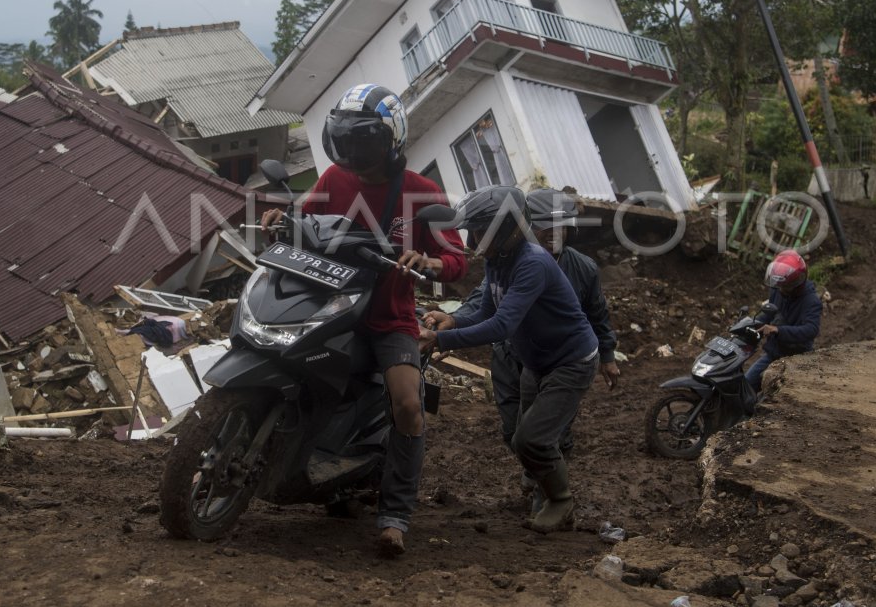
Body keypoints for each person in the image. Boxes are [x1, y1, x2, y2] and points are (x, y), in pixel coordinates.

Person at [260, 83, 466, 557]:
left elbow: (457, 259)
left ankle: (395, 514)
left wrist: (430, 263)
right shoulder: (334, 178)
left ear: (390, 140)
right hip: (328, 305)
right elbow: (304, 224)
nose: (352, 150)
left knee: (409, 405)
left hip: (388, 320)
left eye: (363, 140)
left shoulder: (424, 192)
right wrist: (281, 219)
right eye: (345, 139)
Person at [419, 186, 598, 534]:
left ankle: (561, 501)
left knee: (532, 439)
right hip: (536, 361)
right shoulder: (497, 260)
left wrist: (441, 339)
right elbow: (487, 308)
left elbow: (502, 324)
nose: (473, 239)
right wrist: (453, 320)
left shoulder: (532, 263)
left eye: (480, 230)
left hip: (571, 361)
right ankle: (547, 498)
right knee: (519, 436)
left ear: (508, 228)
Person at [454, 188, 618, 458]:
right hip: (511, 354)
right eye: (545, 228)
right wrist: (454, 325)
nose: (554, 234)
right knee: (512, 429)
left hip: (557, 359)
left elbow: (596, 314)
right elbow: (482, 301)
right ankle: (537, 478)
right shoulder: (508, 262)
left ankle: (548, 489)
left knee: (551, 432)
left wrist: (608, 356)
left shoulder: (584, 269)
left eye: (560, 228)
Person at [744, 249, 822, 394]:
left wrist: (778, 330)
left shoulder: (811, 301)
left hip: (796, 358)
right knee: (745, 386)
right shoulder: (778, 290)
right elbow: (768, 315)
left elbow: (811, 329)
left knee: (772, 397)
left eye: (785, 287)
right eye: (780, 286)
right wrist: (749, 324)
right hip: (773, 354)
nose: (781, 290)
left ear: (797, 283)